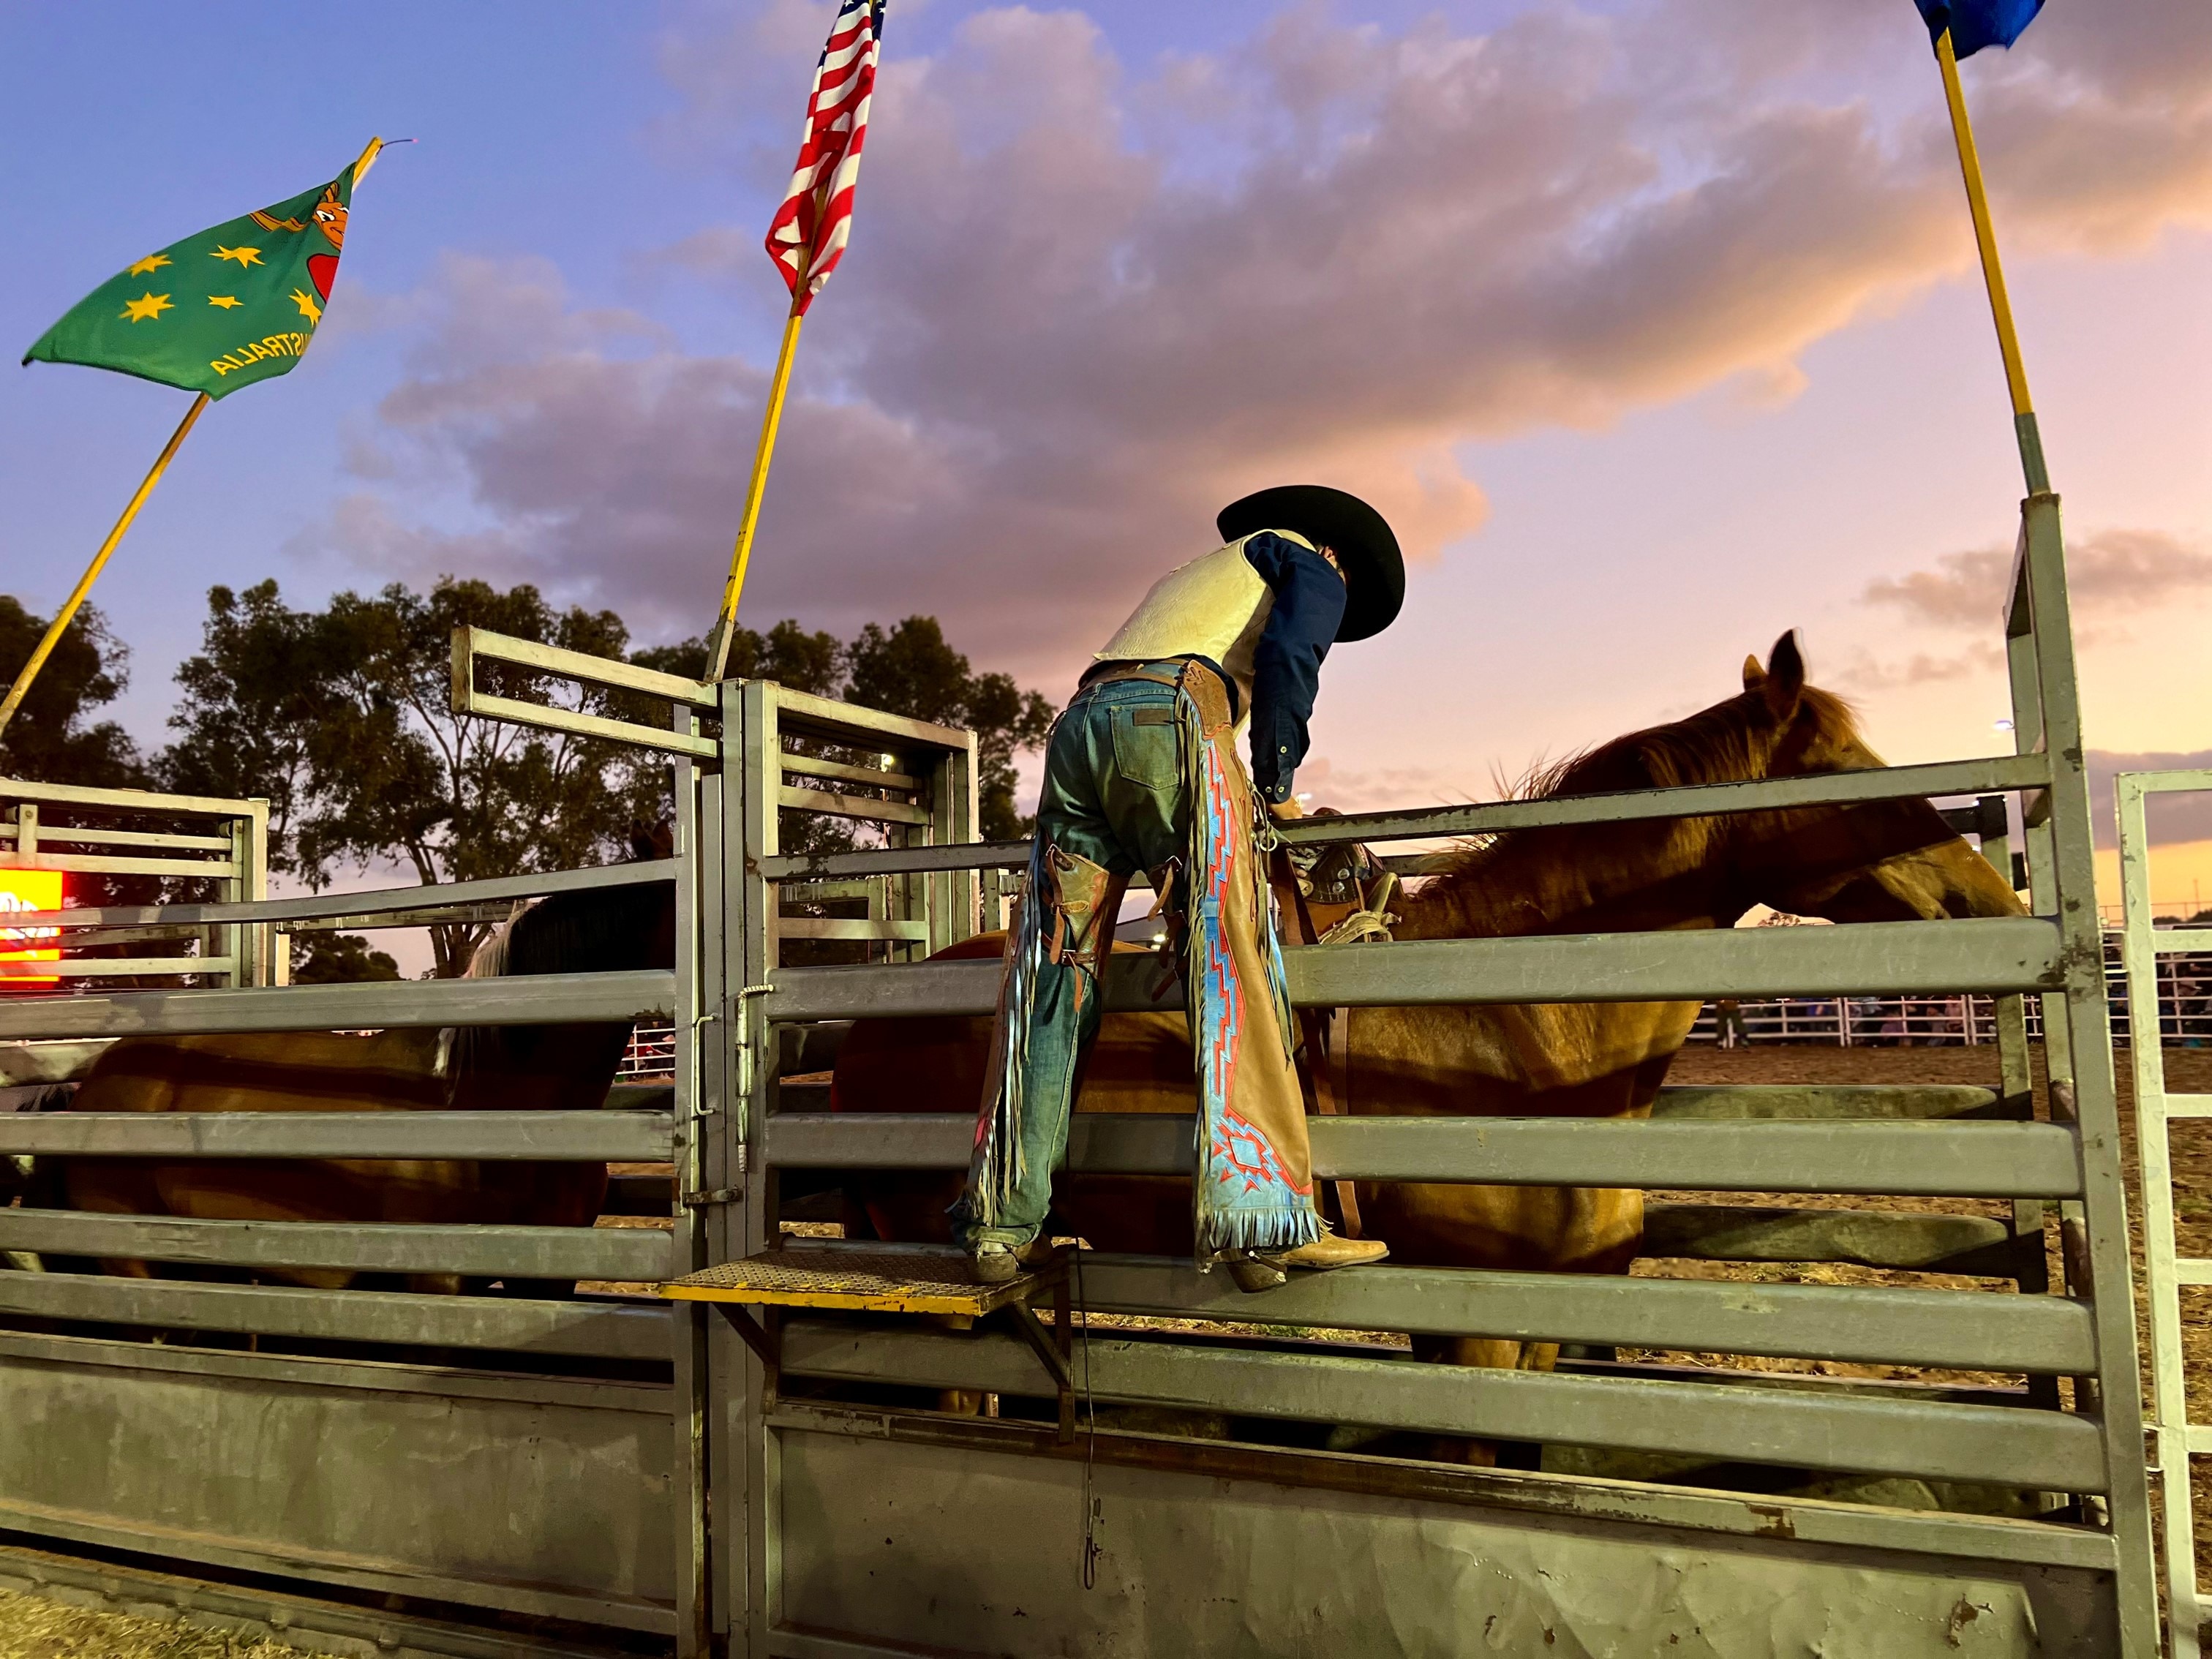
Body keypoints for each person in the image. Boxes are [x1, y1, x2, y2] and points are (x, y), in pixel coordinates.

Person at [954, 486, 1402, 1290]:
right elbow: (1290, 658)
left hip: (1080, 728)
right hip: (1175, 721)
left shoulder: (1192, 576)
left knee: (1050, 980)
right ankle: (1262, 1225)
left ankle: (999, 1226)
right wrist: (1278, 782)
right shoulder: (1308, 560)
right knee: (1234, 964)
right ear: (1339, 558)